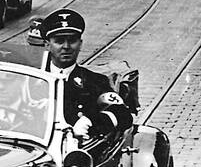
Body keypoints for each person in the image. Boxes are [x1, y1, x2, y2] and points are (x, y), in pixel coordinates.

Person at [40, 8, 135, 138]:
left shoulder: (94, 81)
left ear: (80, 44)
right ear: (47, 45)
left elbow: (123, 115)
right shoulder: (34, 78)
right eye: (59, 41)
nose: (66, 46)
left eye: (72, 40)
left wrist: (91, 122)